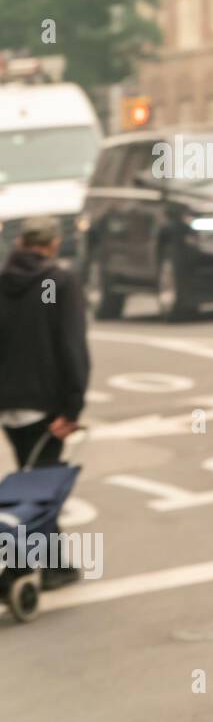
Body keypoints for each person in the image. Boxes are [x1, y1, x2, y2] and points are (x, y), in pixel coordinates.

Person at [0, 215, 90, 587]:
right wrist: (72, 407)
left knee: (34, 479)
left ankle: (53, 564)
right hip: (45, 401)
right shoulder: (57, 281)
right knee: (41, 485)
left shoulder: (3, 281)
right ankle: (21, 569)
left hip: (8, 401)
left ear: (21, 244)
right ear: (52, 244)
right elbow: (70, 346)